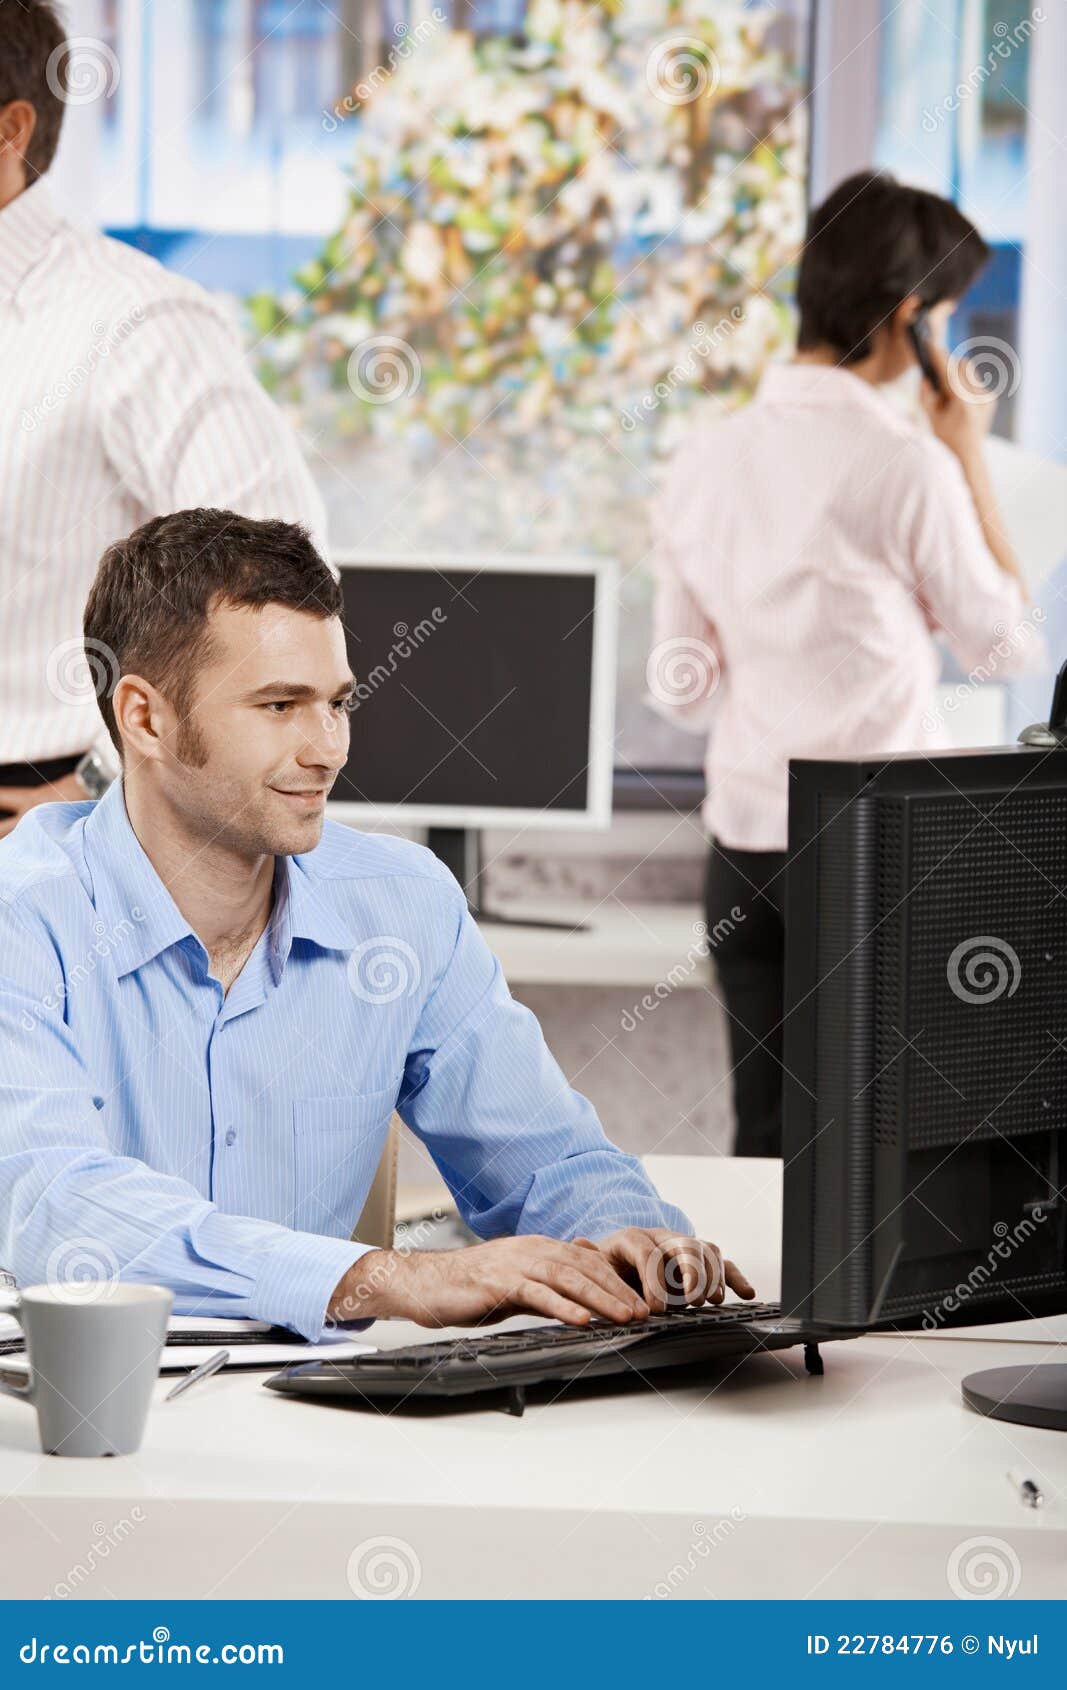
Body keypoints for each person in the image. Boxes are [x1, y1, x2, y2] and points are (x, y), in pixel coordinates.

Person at [0, 508, 754, 1336]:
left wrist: (622, 1235)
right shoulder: (26, 915)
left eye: (337, 702)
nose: (327, 748)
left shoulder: (402, 904)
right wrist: (387, 1279)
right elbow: (55, 1202)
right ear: (145, 718)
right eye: (280, 705)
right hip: (82, 1422)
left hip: (317, 1412)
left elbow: (542, 1159)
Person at [650, 170, 1043, 1159]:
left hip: (742, 853)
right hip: (878, 858)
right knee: (892, 1158)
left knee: (772, 1147)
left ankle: (765, 1317)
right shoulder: (906, 466)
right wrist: (967, 456)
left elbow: (683, 688)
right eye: (943, 322)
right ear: (908, 322)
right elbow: (1003, 647)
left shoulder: (701, 458)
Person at [0, 0, 326, 836]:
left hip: (39, 820)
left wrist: (97, 780)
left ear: (10, 131)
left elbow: (277, 580)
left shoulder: (136, 324)